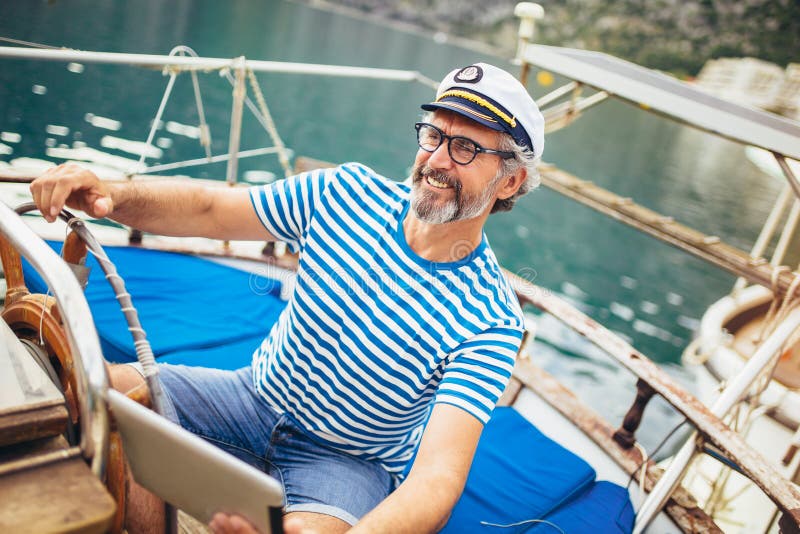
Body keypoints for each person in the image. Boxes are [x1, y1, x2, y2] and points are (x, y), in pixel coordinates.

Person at [30, 62, 544, 534]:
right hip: (250, 397)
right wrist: (112, 195)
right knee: (103, 393)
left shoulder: (491, 320)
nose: (436, 160)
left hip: (347, 461)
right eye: (434, 135)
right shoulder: (345, 194)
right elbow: (210, 210)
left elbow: (437, 480)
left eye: (466, 148)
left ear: (511, 181)